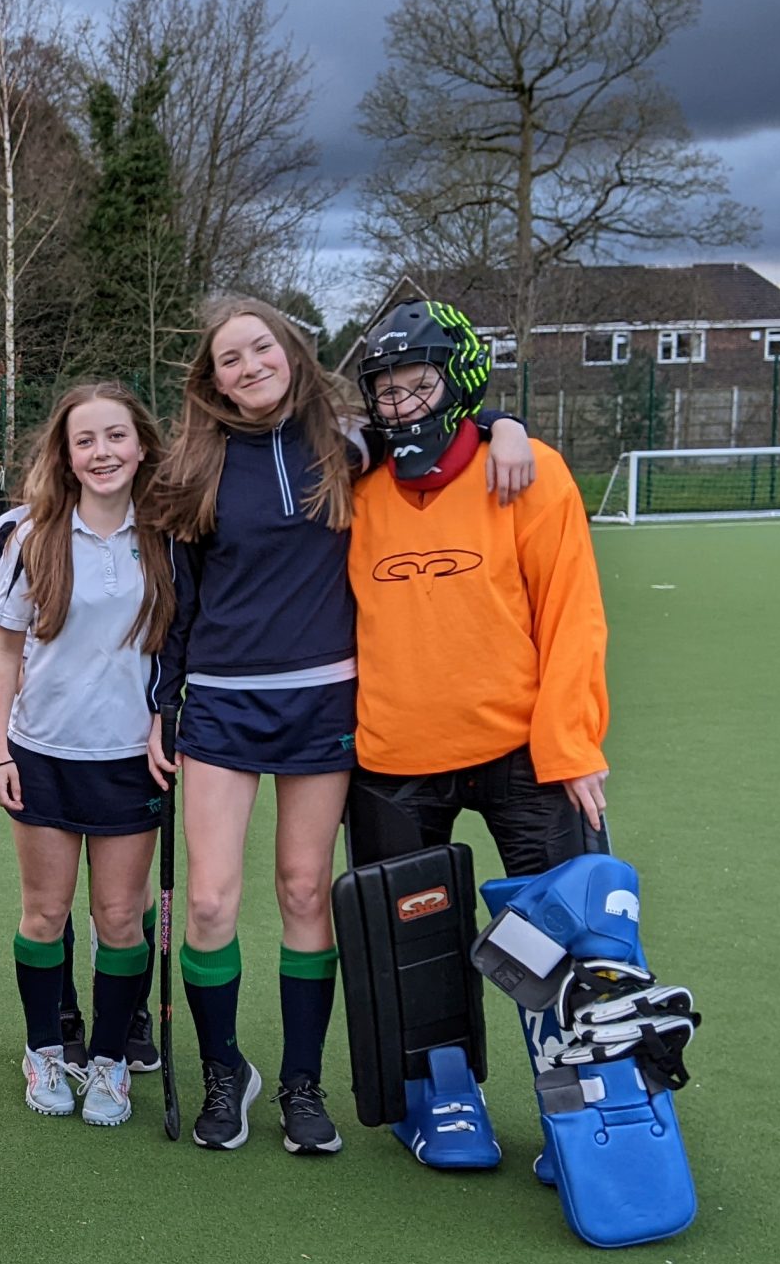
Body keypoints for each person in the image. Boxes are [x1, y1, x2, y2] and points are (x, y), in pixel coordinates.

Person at [144, 300, 537, 1155]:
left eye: (260, 348)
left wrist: (505, 426)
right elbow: (177, 601)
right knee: (208, 901)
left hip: (324, 701)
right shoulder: (190, 466)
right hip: (222, 703)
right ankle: (224, 1073)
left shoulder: (352, 442)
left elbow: (440, 422)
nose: (248, 366)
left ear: (291, 351)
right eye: (228, 359)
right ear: (213, 380)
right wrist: (160, 704)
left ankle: (301, 1082)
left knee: (303, 890)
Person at [344, 299, 609, 876]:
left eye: (422, 386)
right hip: (395, 755)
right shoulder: (353, 491)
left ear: (460, 380)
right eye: (388, 391)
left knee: (562, 926)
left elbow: (571, 618)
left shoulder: (530, 472)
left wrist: (572, 747)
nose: (404, 406)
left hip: (521, 750)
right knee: (396, 937)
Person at [0, 384, 177, 1128]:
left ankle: (110, 1061)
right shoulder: (28, 534)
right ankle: (44, 1050)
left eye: (116, 436)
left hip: (131, 759)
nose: (102, 453)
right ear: (65, 455)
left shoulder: (167, 534)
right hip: (43, 754)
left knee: (120, 917)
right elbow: (2, 651)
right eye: (85, 440)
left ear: (142, 445)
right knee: (45, 913)